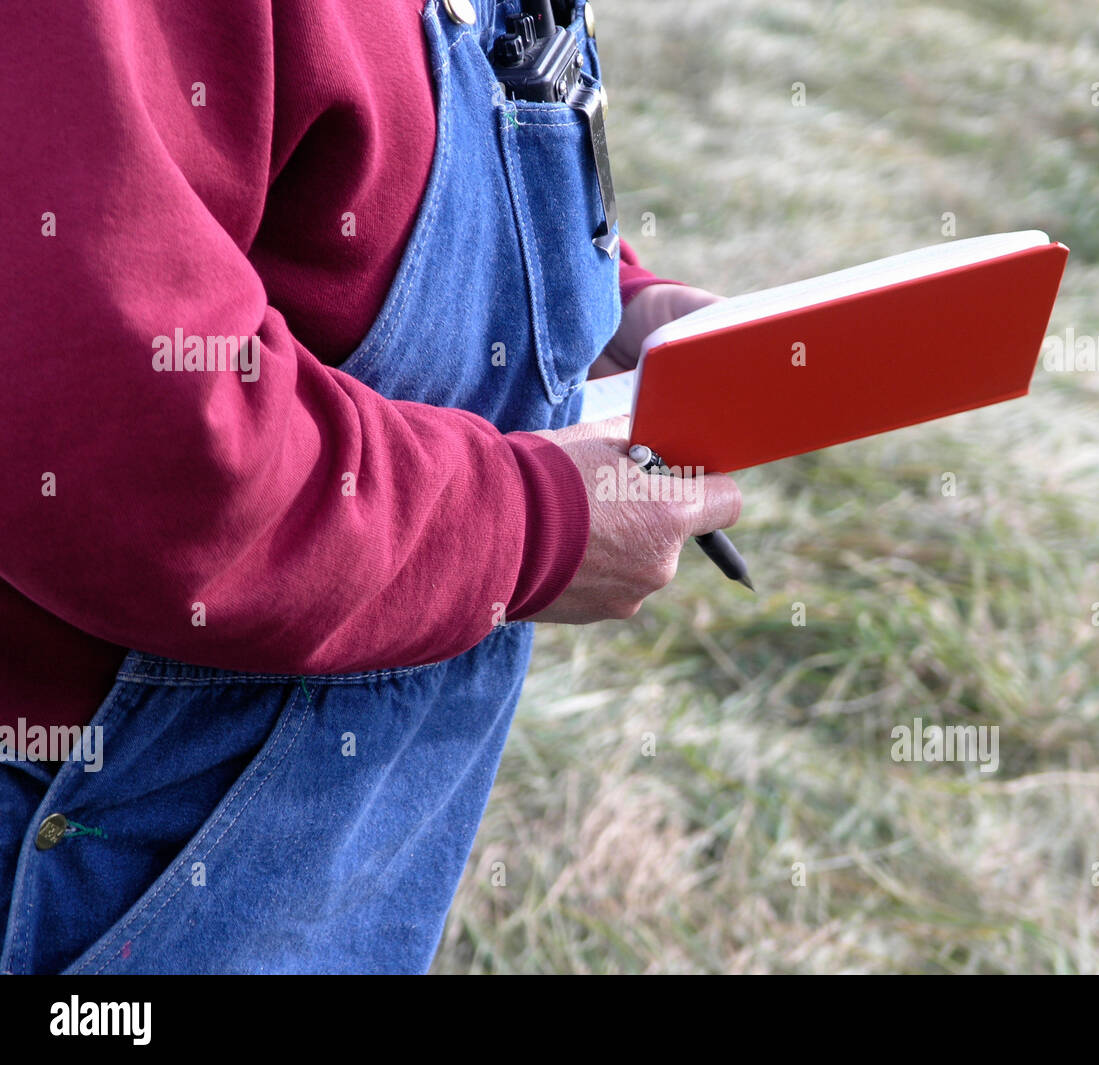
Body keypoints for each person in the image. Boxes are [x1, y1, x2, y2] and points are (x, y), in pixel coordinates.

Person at [0, 0, 742, 974]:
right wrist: (532, 527)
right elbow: (125, 438)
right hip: (101, 824)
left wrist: (599, 295)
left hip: (326, 816)